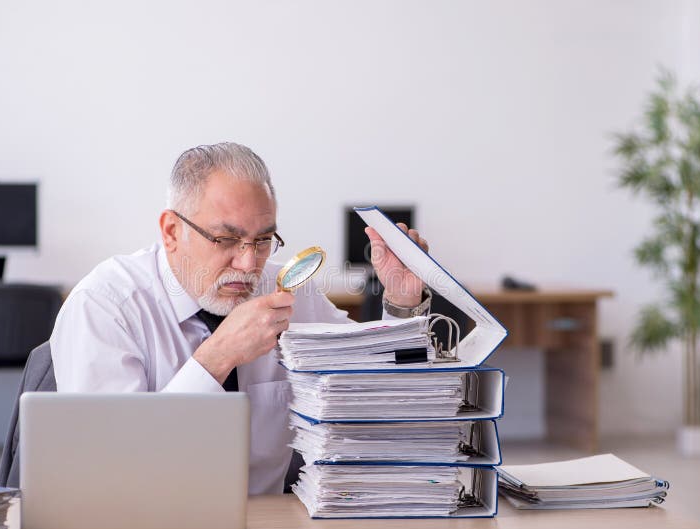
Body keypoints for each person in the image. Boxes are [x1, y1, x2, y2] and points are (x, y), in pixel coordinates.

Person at [50, 142, 432, 494]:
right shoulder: (105, 306)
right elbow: (107, 471)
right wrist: (216, 358)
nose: (248, 264)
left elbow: (374, 390)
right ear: (171, 231)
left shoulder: (285, 291)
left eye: (263, 239)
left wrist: (401, 301)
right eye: (226, 240)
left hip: (270, 521)